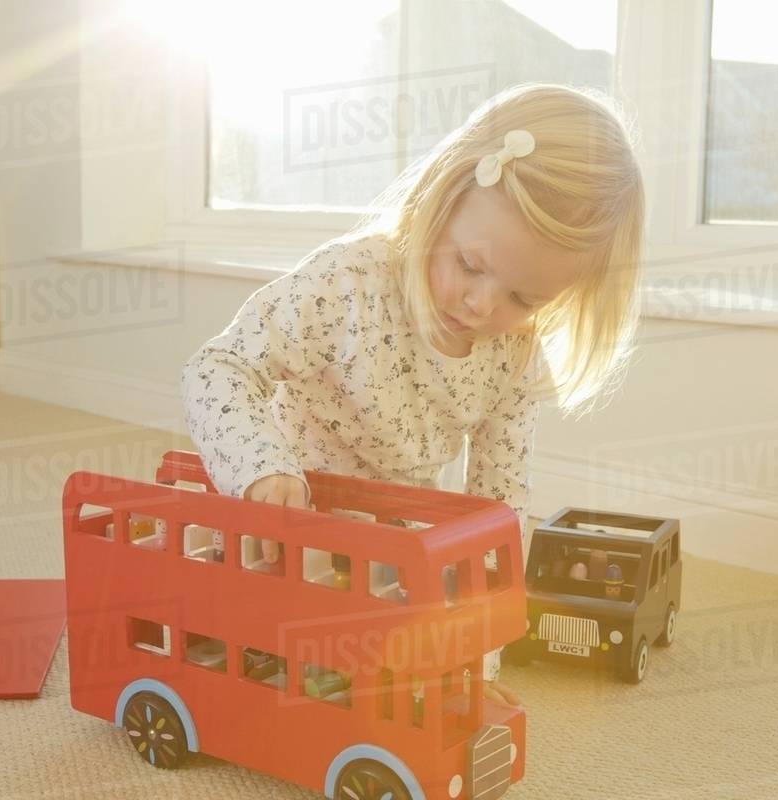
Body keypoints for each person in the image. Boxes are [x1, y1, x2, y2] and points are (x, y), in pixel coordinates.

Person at [181, 83, 645, 708]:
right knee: (256, 667)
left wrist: (477, 651)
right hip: (284, 532)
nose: (482, 306)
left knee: (387, 688)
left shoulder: (514, 349)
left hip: (391, 560)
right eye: (471, 265)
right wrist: (261, 472)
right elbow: (218, 367)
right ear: (443, 197)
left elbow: (497, 504)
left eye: (524, 298)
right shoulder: (347, 283)